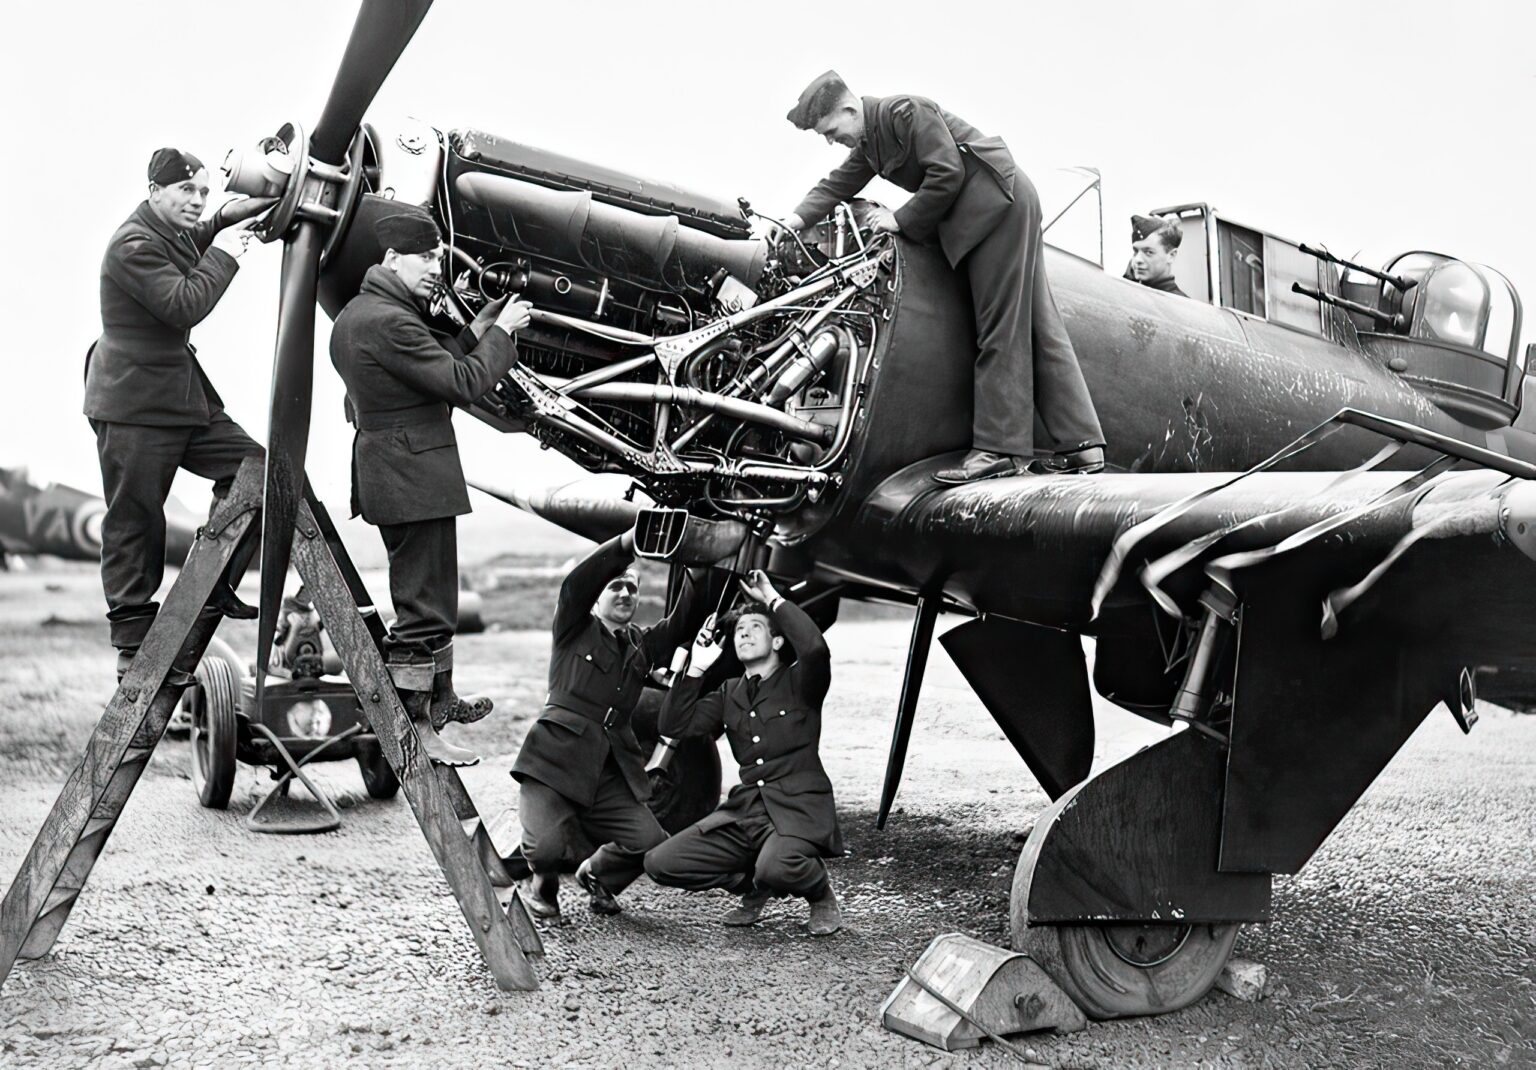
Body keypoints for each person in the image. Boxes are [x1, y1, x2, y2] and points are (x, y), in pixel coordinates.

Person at [779, 71, 1105, 483]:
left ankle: (998, 449)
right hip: (996, 207)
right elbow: (835, 186)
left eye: (830, 131)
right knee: (1039, 325)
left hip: (996, 206)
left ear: (848, 109)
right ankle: (1082, 447)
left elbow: (947, 172)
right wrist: (793, 220)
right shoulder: (871, 142)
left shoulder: (905, 112)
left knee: (998, 327)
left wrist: (899, 220)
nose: (831, 141)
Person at [329, 206, 532, 766]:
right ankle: (417, 724)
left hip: (401, 472)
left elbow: (432, 365)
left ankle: (439, 699)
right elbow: (461, 382)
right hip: (411, 475)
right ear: (392, 259)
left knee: (435, 600)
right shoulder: (390, 322)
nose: (434, 269)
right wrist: (506, 335)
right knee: (422, 610)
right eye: (425, 258)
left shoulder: (363, 314)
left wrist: (482, 325)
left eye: (437, 258)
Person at [86, 147, 277, 678]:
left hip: (179, 397)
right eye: (186, 191)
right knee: (135, 517)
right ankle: (133, 649)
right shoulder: (133, 244)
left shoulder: (164, 232)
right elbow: (183, 303)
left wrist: (244, 210)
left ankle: (211, 582)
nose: (198, 200)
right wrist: (232, 252)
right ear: (155, 192)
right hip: (135, 404)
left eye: (203, 191)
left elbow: (199, 233)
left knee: (261, 474)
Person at [644, 570, 844, 937]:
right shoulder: (729, 691)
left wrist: (772, 599)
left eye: (755, 627)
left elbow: (815, 648)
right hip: (747, 811)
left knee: (777, 866)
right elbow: (675, 727)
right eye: (739, 631)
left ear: (779, 642)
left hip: (796, 808)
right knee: (660, 863)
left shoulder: (801, 682)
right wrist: (697, 668)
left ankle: (819, 892)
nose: (744, 634)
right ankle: (754, 885)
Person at [511, 537, 701, 919]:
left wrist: (701, 560)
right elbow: (575, 586)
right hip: (554, 761)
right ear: (596, 599)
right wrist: (630, 543)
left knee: (649, 842)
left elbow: (683, 620)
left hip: (606, 769)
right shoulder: (573, 627)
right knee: (544, 849)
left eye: (632, 587)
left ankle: (598, 876)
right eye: (616, 585)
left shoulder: (640, 645)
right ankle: (542, 881)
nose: (626, 592)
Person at [1124, 214, 1187, 297]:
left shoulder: (1181, 304)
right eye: (1135, 251)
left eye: (1149, 252)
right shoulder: (1131, 293)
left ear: (1171, 255)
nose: (1138, 260)